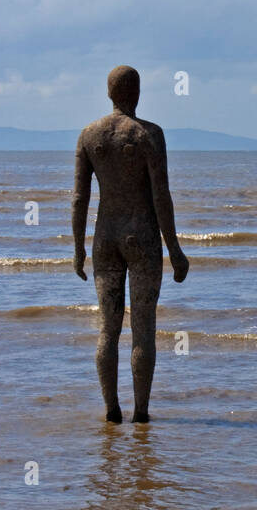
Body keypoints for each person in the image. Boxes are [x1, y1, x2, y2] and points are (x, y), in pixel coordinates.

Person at [72, 65, 189, 422]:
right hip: (142, 239)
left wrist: (78, 248)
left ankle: (111, 410)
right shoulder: (149, 135)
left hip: (104, 239)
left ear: (109, 94)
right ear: (136, 93)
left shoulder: (90, 136)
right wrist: (175, 249)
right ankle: (141, 413)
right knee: (143, 329)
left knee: (108, 330)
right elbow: (161, 197)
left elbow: (80, 198)